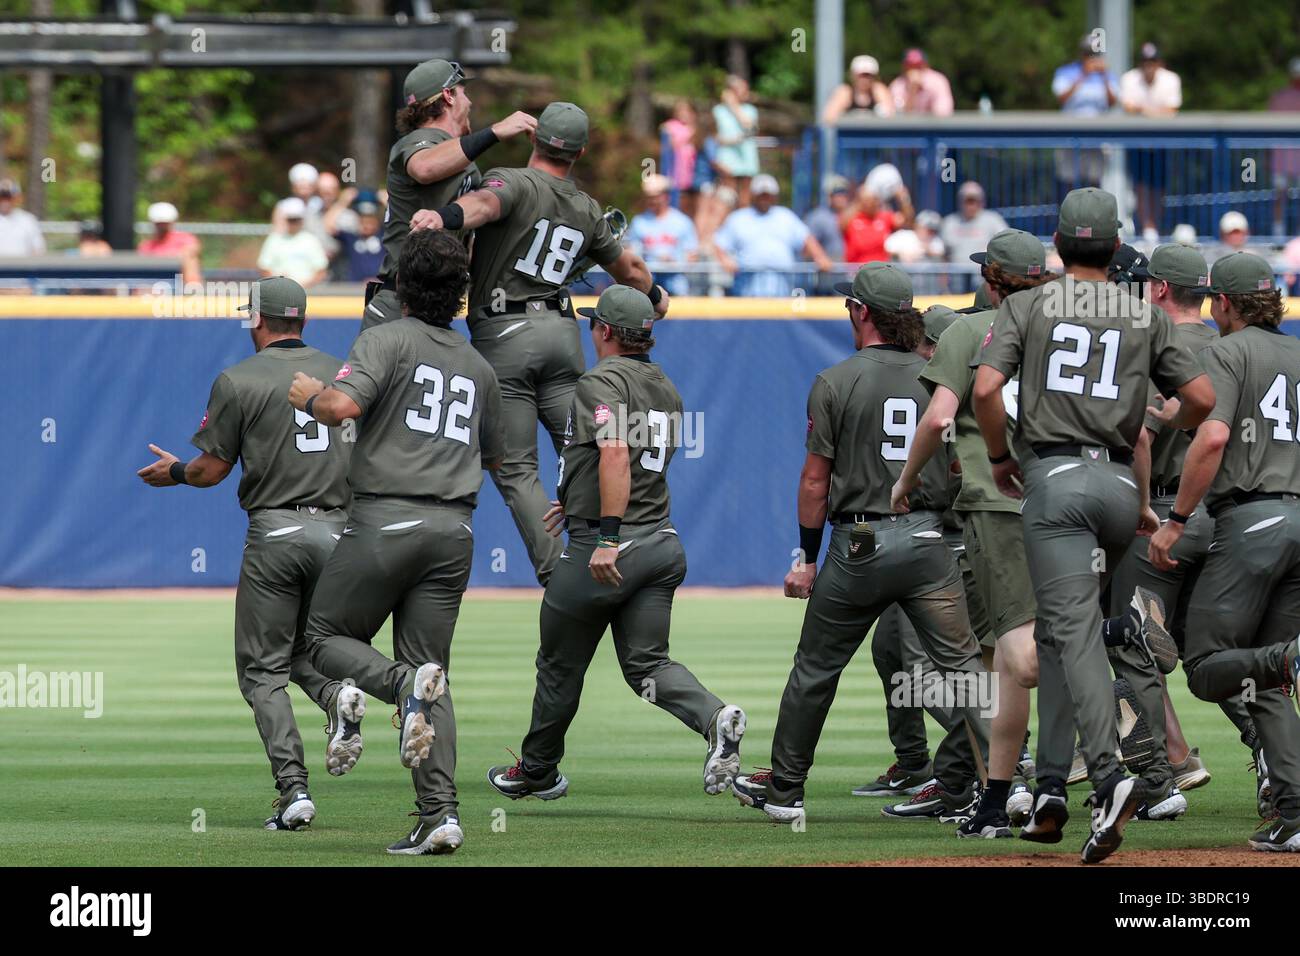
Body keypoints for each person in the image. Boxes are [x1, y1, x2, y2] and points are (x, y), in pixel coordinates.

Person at [973, 187, 1214, 863]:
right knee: (1059, 632)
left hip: (1054, 481)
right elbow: (1199, 400)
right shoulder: (1143, 314)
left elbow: (986, 390)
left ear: (1057, 243)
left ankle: (1107, 774)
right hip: (1117, 485)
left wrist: (998, 457)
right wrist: (1144, 468)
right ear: (1114, 247)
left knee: (1070, 631)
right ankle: (1051, 789)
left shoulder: (1028, 303)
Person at [732, 262, 991, 826]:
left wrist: (804, 557)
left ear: (863, 313)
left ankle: (786, 791)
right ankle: (1005, 785)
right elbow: (954, 470)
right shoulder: (939, 375)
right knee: (966, 669)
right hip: (928, 540)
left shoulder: (836, 379)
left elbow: (813, 481)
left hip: (860, 544)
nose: (849, 312)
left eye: (851, 305)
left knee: (815, 670)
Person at [486, 285, 747, 802]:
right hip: (661, 541)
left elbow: (614, 456)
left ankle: (538, 770)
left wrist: (604, 533)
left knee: (559, 666)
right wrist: (580, 498)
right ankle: (714, 717)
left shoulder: (599, 380)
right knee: (648, 666)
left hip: (606, 547)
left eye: (592, 325)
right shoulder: (666, 387)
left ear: (604, 330)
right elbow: (626, 461)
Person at [291, 230, 503, 856]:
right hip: (456, 528)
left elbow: (340, 407)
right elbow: (498, 456)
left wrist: (310, 398)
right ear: (462, 295)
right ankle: (439, 813)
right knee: (435, 670)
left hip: (388, 517)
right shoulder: (479, 365)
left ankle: (401, 687)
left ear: (402, 286)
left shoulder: (384, 338)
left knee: (323, 639)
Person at [135, 277, 362, 832]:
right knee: (308, 653)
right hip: (341, 533)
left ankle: (294, 792)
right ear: (302, 320)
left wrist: (176, 473)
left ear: (256, 320)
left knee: (261, 670)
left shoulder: (238, 379)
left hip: (278, 534)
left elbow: (211, 470)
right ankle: (338, 694)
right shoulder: (345, 374)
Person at [412, 101, 663, 586]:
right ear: (581, 151)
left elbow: (484, 206)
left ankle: (561, 574)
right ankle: (620, 546)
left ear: (534, 139)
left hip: (505, 334)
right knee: (590, 445)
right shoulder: (587, 208)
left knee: (516, 468)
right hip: (563, 333)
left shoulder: (515, 180)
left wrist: (444, 217)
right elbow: (629, 271)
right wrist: (655, 296)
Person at [891, 230, 1056, 837]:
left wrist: (905, 481)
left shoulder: (966, 330)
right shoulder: (1066, 326)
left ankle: (1119, 639)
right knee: (997, 661)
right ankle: (997, 797)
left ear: (990, 278)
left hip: (998, 506)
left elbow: (938, 417)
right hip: (1071, 498)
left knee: (1017, 652)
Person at [1100, 243, 1260, 820]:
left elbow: (1140, 437)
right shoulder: (1235, 348)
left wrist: (1145, 511)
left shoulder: (1147, 347)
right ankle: (1269, 755)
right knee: (1213, 650)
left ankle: (1157, 782)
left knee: (1135, 645)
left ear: (1160, 290)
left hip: (1167, 517)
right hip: (1233, 519)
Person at [1148, 251, 1300, 852]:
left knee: (1210, 665)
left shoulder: (1226, 352)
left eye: (1216, 299)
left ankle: (1291, 654)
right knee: (1266, 675)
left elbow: (1211, 434)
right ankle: (1293, 811)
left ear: (1228, 304)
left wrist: (1176, 519)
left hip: (1251, 518)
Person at [364, 58, 537, 329]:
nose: (469, 102)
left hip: (437, 301)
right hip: (401, 300)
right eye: (463, 92)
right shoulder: (416, 142)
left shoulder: (462, 159)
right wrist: (495, 132)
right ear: (448, 95)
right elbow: (425, 166)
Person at [713, 174, 834, 296]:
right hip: (746, 294)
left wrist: (820, 257)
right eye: (761, 195)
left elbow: (806, 238)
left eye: (768, 195)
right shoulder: (738, 218)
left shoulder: (786, 216)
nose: (764, 198)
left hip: (782, 293)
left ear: (774, 197)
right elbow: (719, 243)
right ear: (753, 196)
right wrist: (725, 260)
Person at [1121, 43, 1182, 240]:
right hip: (1137, 140)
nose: (1149, 66)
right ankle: (1147, 227)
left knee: (1158, 186)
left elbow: (1172, 110)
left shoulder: (1171, 79)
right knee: (1139, 185)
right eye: (1145, 62)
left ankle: (1154, 226)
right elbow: (1128, 107)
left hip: (1161, 141)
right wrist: (1155, 113)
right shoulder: (1129, 78)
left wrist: (1144, 111)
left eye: (1152, 62)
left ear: (1160, 63)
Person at [626, 173, 698, 296]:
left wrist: (675, 261)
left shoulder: (682, 221)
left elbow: (692, 255)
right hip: (648, 280)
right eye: (649, 197)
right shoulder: (639, 222)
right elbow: (630, 251)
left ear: (666, 196)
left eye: (656, 196)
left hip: (676, 280)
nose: (652, 201)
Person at [940, 182, 1007, 284]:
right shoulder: (949, 222)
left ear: (981, 202)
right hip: (956, 279)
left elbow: (1005, 245)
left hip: (983, 278)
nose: (970, 205)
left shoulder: (993, 220)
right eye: (967, 201)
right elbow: (943, 255)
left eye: (974, 201)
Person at [711, 75, 760, 207]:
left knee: (745, 198)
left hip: (746, 158)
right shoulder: (718, 111)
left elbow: (749, 126)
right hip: (727, 159)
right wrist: (729, 141)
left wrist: (733, 106)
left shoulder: (750, 110)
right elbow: (714, 136)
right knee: (727, 198)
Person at [257, 198, 329, 287]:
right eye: (291, 220)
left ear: (302, 220)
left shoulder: (311, 240)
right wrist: (279, 283)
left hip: (308, 293)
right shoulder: (274, 239)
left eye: (296, 219)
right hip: (278, 292)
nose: (294, 223)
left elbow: (321, 271)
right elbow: (264, 268)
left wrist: (302, 287)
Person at [1268, 57, 1300, 236]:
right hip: (1282, 156)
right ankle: (1279, 234)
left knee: (1279, 197)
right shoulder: (1279, 97)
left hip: (1283, 157)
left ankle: (1280, 234)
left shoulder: (1279, 97)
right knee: (1279, 197)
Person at [841, 182, 909, 264]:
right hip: (856, 272)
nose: (871, 203)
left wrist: (904, 199)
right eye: (867, 200)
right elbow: (841, 224)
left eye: (874, 199)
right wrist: (859, 199)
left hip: (879, 271)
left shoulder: (884, 217)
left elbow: (906, 220)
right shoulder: (852, 218)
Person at [328, 191, 385, 283]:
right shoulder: (351, 238)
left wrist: (387, 201)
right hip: (353, 291)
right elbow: (329, 226)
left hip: (379, 288)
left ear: (377, 222)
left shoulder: (384, 237)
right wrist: (343, 202)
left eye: (370, 222)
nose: (366, 225)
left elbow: (401, 224)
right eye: (363, 221)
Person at [1053, 36, 1119, 115]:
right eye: (1088, 53)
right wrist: (1084, 74)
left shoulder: (1107, 75)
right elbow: (1061, 99)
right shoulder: (1066, 71)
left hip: (1099, 124)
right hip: (1071, 123)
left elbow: (1113, 103)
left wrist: (1104, 77)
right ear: (1081, 54)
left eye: (1094, 54)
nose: (1091, 57)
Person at [822, 55, 894, 124]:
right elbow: (828, 118)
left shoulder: (878, 90)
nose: (865, 79)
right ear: (852, 75)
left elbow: (891, 116)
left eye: (868, 75)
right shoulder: (845, 92)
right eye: (861, 75)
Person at [660, 99, 699, 215]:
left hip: (694, 170)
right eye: (680, 111)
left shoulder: (697, 127)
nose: (683, 114)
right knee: (680, 201)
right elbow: (669, 145)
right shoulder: (671, 126)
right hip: (678, 170)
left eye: (686, 111)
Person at [888, 49, 954, 117]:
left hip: (934, 126)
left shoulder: (938, 81)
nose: (914, 69)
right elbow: (897, 117)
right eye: (910, 66)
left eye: (918, 66)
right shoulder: (897, 85)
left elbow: (943, 113)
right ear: (904, 67)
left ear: (926, 66)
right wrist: (912, 90)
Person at [803, 174, 852, 263]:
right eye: (837, 192)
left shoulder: (855, 215)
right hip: (828, 273)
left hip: (851, 272)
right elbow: (807, 247)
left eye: (844, 192)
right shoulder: (818, 217)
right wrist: (820, 258)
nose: (842, 196)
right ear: (830, 196)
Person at [0, 179, 45, 257]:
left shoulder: (28, 220)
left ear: (16, 198)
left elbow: (39, 249)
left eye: (9, 198)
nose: (5, 201)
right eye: (2, 198)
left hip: (22, 268)